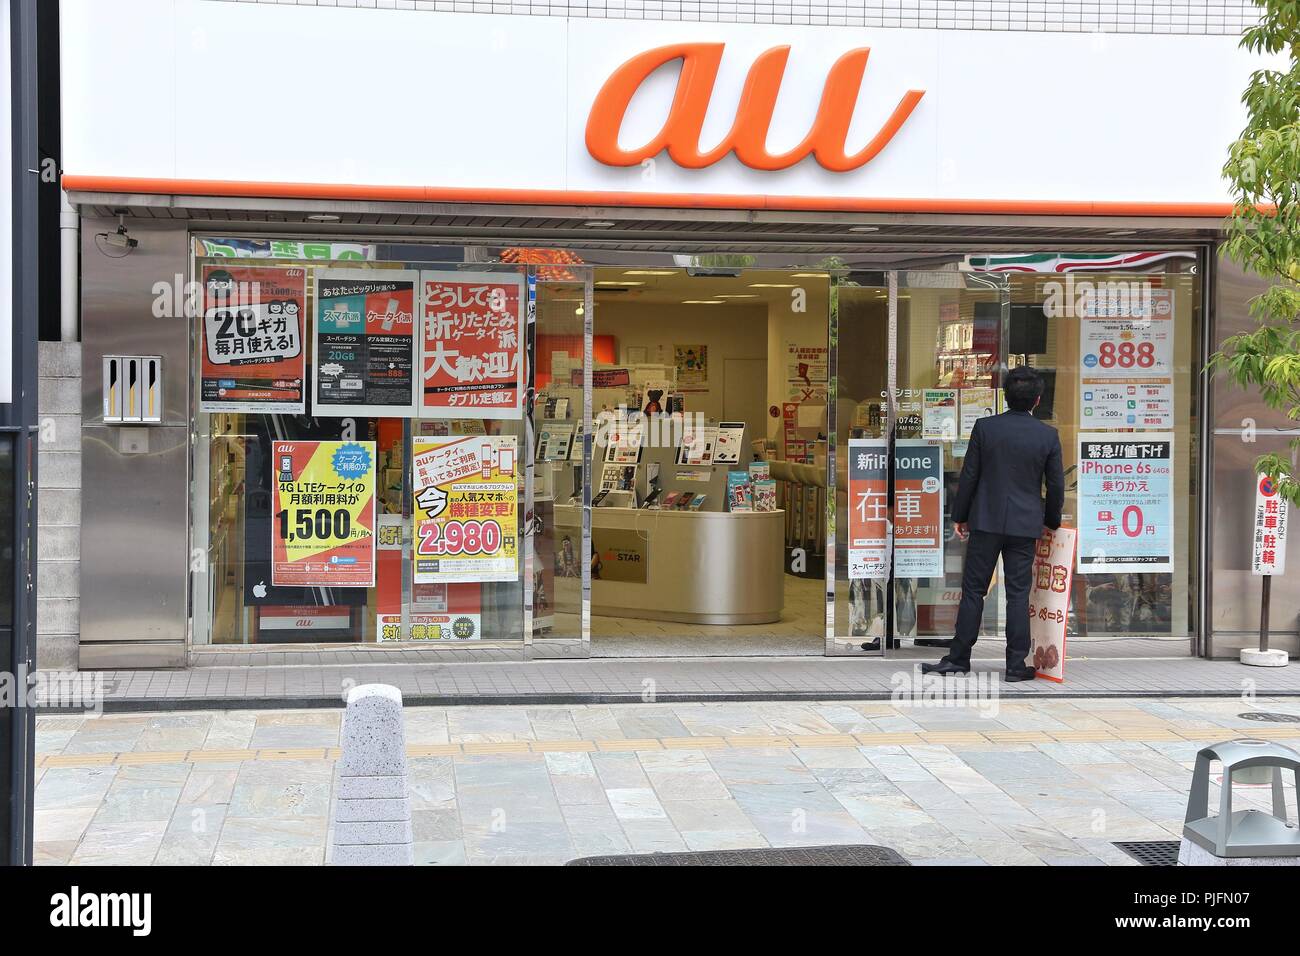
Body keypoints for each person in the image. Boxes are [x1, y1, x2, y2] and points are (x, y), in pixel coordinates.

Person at [922, 366, 1065, 681]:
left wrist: (959, 516)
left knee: (973, 590)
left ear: (1005, 395)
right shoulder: (1047, 435)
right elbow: (1055, 487)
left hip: (985, 521)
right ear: (1037, 400)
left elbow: (969, 476)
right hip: (1025, 525)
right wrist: (1050, 522)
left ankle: (958, 658)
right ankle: (1015, 665)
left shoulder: (985, 428)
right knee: (1017, 593)